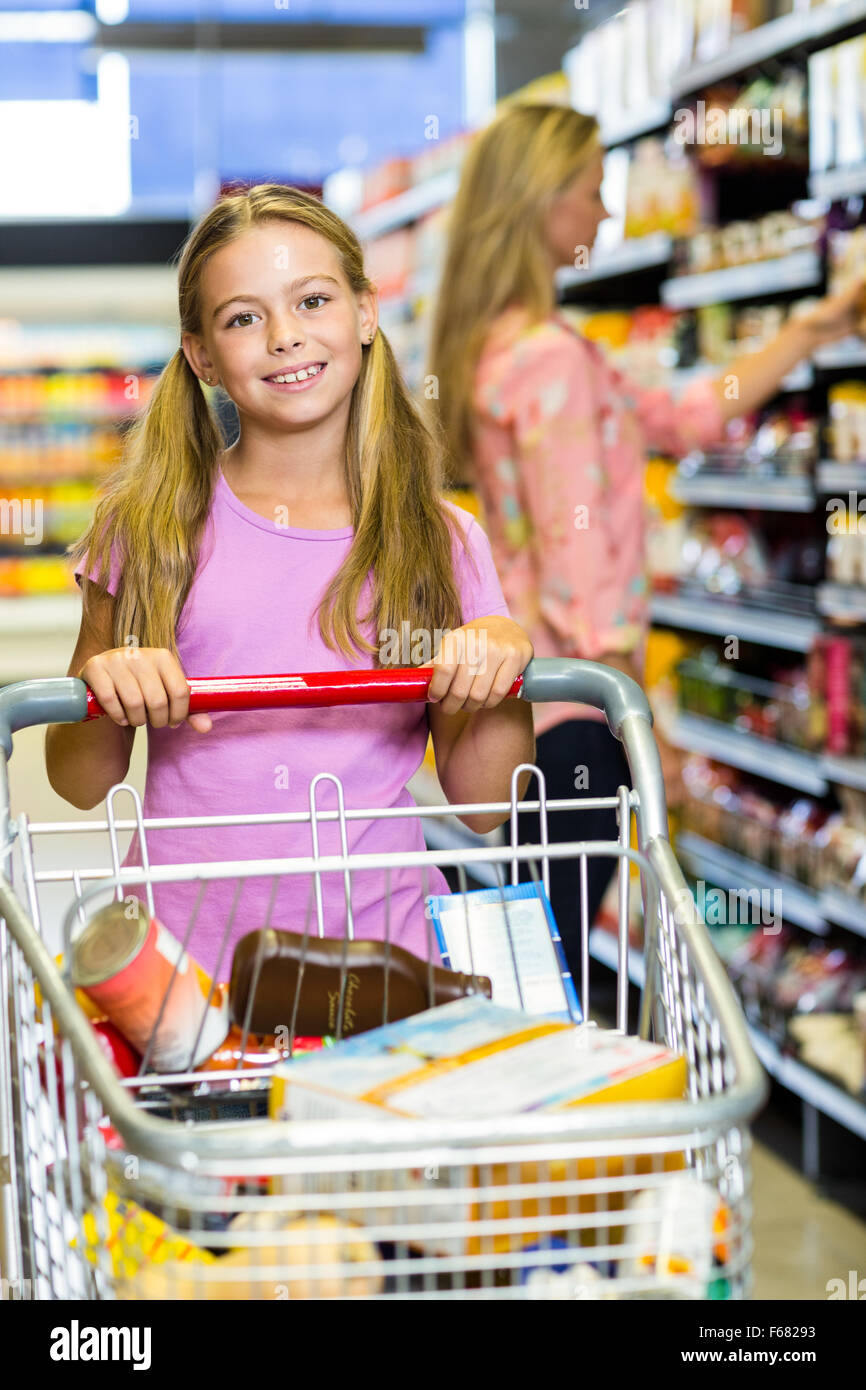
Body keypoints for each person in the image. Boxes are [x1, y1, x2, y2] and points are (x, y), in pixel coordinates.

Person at [47, 183, 535, 980]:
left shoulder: (441, 541)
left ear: (367, 313)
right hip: (183, 981)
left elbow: (486, 804)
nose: (285, 337)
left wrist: (498, 661)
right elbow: (76, 780)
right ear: (201, 353)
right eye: (243, 317)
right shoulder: (150, 528)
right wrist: (107, 690)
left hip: (381, 972)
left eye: (313, 300)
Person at [428, 102, 865, 973]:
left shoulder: (505, 350)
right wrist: (631, 708)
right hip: (578, 715)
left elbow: (683, 415)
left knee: (529, 947)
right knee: (543, 965)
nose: (606, 216)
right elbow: (578, 565)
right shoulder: (550, 361)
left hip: (526, 707)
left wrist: (821, 323)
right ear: (540, 200)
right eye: (592, 191)